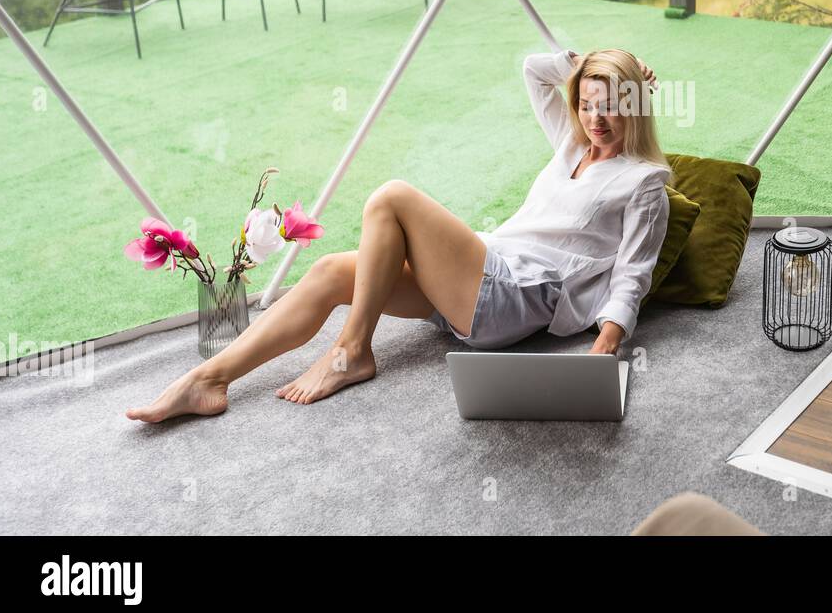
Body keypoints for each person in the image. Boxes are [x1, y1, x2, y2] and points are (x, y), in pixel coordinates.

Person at [126, 48, 670, 423]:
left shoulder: (644, 183)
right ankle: (208, 378)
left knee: (391, 196)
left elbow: (633, 273)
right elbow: (533, 71)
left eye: (612, 106)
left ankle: (352, 350)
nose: (596, 119)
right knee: (330, 272)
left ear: (635, 107)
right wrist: (590, 62)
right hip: (481, 276)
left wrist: (606, 347)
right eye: (586, 103)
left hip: (517, 294)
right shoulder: (572, 146)